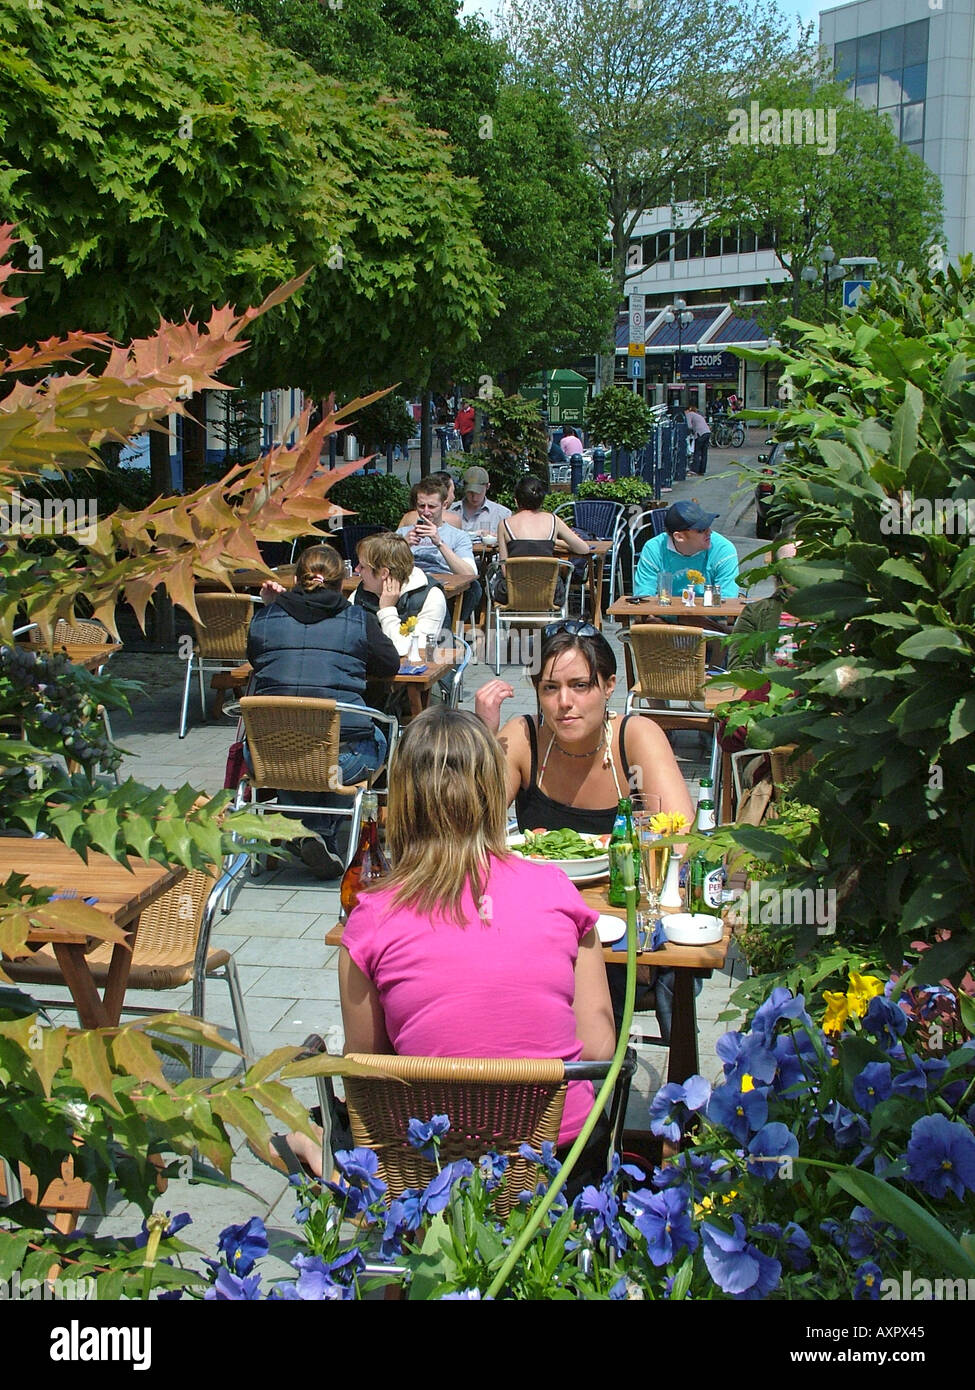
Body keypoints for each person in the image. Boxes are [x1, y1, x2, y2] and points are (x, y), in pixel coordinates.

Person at [285, 706, 616, 1188]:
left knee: (303, 1120)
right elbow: (600, 1046)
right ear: (492, 794)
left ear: (403, 800)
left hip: (427, 1171)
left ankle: (320, 1161)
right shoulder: (558, 891)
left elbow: (368, 1073)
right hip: (559, 1165)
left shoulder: (371, 919)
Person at [475, 623, 695, 1042]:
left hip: (620, 920)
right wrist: (484, 736)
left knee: (671, 967)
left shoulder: (633, 737)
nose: (564, 704)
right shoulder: (526, 738)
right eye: (549, 688)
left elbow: (678, 839)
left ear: (609, 686)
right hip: (539, 925)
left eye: (580, 686)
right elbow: (471, 826)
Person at [248, 545, 399, 878]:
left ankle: (303, 828)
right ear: (342, 580)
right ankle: (316, 832)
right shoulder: (359, 619)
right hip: (338, 759)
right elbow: (389, 663)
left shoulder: (264, 618)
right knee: (382, 733)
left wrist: (271, 609)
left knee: (304, 756)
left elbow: (257, 658)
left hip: (268, 755)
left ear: (296, 578)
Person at [491, 473, 589, 607]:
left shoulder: (505, 524)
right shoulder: (553, 520)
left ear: (516, 500)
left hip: (513, 594)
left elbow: (504, 568)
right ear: (542, 500)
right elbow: (583, 549)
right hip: (549, 593)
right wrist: (556, 541)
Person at [350, 531, 448, 657]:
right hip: (372, 672)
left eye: (362, 566)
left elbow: (404, 651)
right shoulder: (360, 594)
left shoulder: (431, 596)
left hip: (426, 671)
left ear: (384, 573)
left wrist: (387, 610)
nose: (356, 570)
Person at [397, 476, 480, 623]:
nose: (426, 512)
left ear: (444, 505)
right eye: (421, 506)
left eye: (432, 507)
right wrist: (403, 546)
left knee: (473, 587)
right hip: (408, 588)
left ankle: (445, 635)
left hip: (445, 589)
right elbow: (382, 568)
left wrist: (439, 543)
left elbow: (469, 574)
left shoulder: (458, 536)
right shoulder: (403, 534)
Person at [633, 499, 740, 600]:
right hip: (661, 616)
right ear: (679, 537)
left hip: (710, 618)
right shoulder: (654, 549)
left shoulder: (723, 550)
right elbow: (644, 598)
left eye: (708, 526)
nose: (709, 532)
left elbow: (728, 600)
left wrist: (686, 619)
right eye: (701, 530)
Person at [447, 465, 512, 537]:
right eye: (470, 492)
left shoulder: (501, 514)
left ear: (487, 486)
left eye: (479, 492)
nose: (474, 498)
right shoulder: (449, 511)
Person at [684, 406, 711, 476]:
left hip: (700, 433)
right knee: (704, 453)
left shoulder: (689, 414)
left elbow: (689, 426)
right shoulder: (698, 415)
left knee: (697, 451)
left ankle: (694, 470)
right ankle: (702, 470)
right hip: (707, 432)